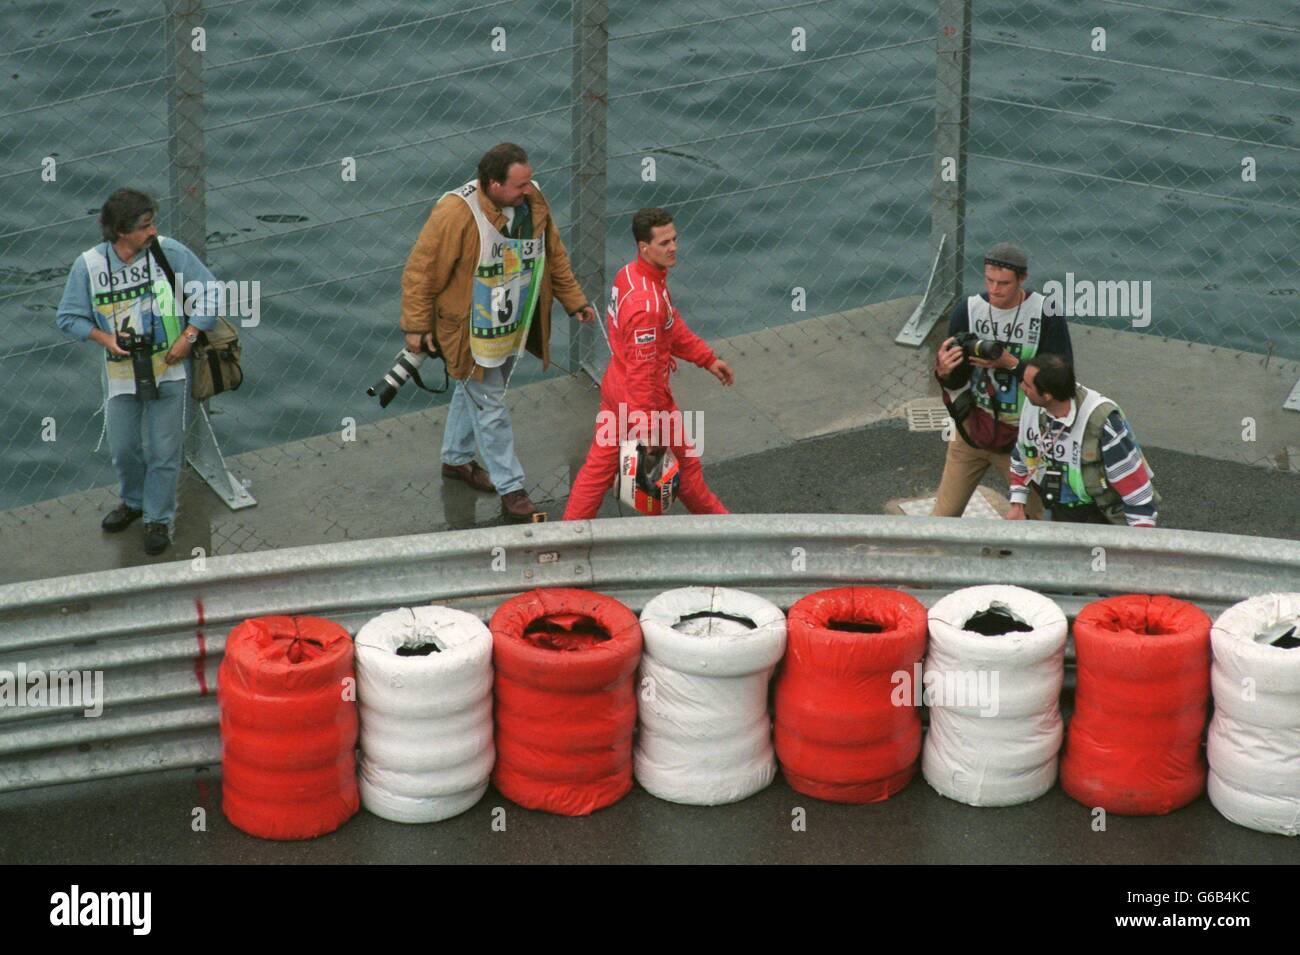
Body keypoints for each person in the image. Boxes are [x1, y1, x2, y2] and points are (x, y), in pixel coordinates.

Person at [399, 142, 597, 523]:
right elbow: (420, 271)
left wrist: (574, 301)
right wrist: (416, 327)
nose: (529, 190)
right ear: (492, 184)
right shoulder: (455, 214)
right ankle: (513, 490)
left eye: (528, 183)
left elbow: (553, 253)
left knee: (473, 391)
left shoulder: (532, 201)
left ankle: (456, 460)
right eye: (519, 186)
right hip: (469, 332)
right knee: (489, 404)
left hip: (510, 325)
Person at [56, 188, 219, 555]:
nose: (152, 231)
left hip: (171, 367)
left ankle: (158, 518)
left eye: (152, 224)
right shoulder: (89, 267)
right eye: (144, 226)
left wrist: (189, 336)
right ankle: (133, 502)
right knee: (124, 447)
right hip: (121, 375)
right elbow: (68, 318)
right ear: (120, 231)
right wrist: (104, 338)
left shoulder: (167, 252)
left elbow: (210, 291)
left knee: (165, 450)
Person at [562, 207, 734, 520]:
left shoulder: (629, 274)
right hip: (644, 397)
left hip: (616, 384)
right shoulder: (648, 306)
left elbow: (670, 325)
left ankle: (563, 538)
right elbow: (644, 377)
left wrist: (707, 359)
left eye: (674, 239)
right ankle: (728, 531)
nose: (673, 247)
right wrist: (650, 431)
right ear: (644, 247)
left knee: (597, 469)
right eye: (664, 242)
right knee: (686, 471)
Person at [932, 242, 1072, 519]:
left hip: (1023, 435)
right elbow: (957, 379)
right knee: (942, 517)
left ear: (1023, 279)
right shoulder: (968, 310)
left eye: (1004, 283)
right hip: (973, 428)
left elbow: (1062, 382)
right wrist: (945, 372)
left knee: (1036, 520)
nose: (995, 290)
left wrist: (1010, 364)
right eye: (989, 280)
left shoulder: (1046, 314)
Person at [1007, 354, 1158, 526]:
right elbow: (1022, 454)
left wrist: (1139, 542)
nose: (1021, 387)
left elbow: (1135, 489)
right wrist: (1017, 504)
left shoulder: (1102, 422)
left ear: (1048, 395)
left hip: (1101, 516)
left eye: (1027, 385)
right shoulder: (1032, 407)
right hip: (1058, 508)